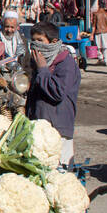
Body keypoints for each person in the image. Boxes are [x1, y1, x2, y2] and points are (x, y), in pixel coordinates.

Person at [27, 23, 81, 167]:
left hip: (58, 128)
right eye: (33, 40)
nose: (35, 45)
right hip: (40, 127)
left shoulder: (65, 64)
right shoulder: (39, 62)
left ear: (53, 42)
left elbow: (58, 93)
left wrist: (43, 69)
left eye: (40, 40)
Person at [92, 1, 107, 65]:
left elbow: (94, 26)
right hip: (106, 32)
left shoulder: (95, 14)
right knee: (106, 47)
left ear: (98, 6)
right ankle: (106, 60)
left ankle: (100, 59)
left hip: (98, 32)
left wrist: (91, 35)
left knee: (98, 47)